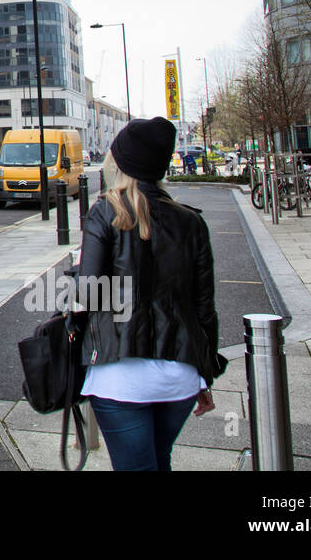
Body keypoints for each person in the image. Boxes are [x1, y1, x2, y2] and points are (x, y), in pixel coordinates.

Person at [76, 117, 226, 471]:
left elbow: (89, 294)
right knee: (159, 462)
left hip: (119, 377)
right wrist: (205, 374)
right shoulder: (191, 222)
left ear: (122, 163)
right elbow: (206, 309)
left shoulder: (106, 212)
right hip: (180, 376)